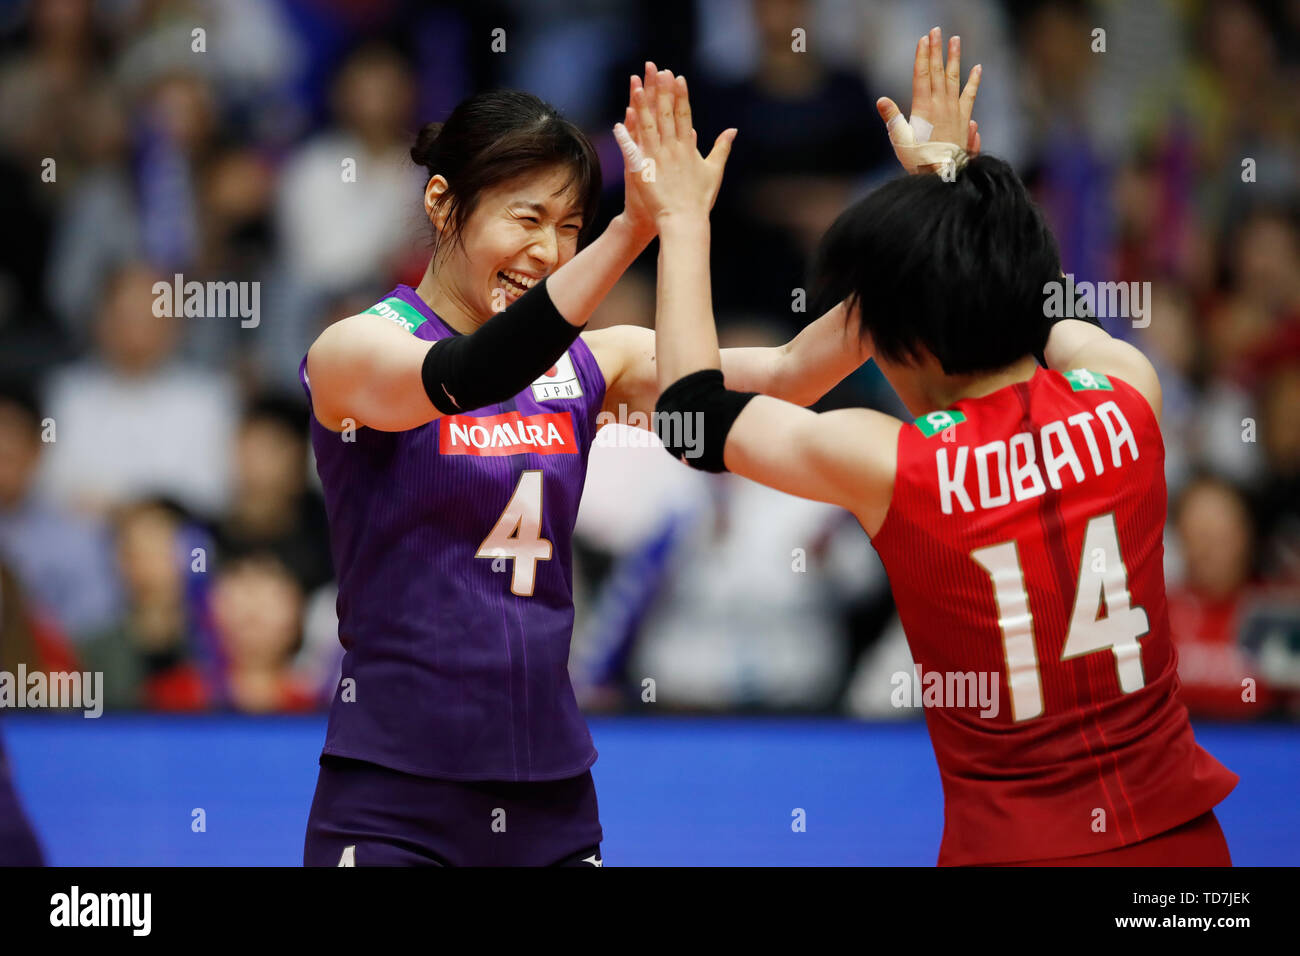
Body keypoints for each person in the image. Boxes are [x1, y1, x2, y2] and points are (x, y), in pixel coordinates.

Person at [628, 29, 1237, 866]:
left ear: (907, 346)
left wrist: (684, 218)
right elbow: (1025, 298)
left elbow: (691, 413)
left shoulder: (897, 465)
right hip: (1186, 856)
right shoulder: (1128, 391)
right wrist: (951, 194)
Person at [299, 68, 928, 865]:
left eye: (570, 225)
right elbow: (471, 375)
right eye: (527, 218)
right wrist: (631, 231)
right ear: (441, 204)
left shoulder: (595, 364)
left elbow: (793, 370)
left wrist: (926, 217)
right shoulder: (356, 349)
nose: (549, 250)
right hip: (394, 792)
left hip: (549, 790)